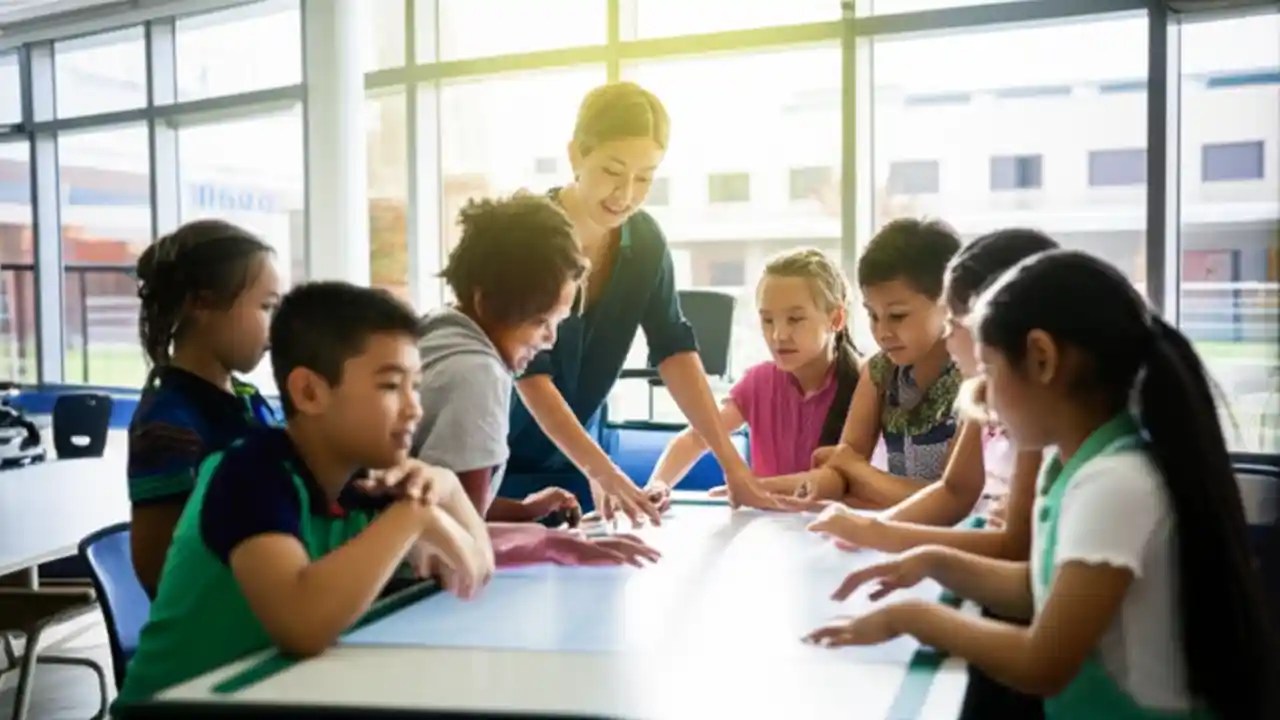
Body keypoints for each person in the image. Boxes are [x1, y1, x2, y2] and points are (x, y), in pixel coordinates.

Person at [805, 251, 1278, 720]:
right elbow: (1040, 588)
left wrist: (912, 618)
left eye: (989, 371)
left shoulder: (1116, 485)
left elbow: (1043, 663)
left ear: (1041, 359)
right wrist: (933, 561)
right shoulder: (1076, 465)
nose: (983, 397)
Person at [114, 281, 494, 706]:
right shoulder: (249, 472)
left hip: (278, 698)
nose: (414, 408)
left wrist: (446, 485)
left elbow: (477, 566)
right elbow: (301, 626)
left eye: (416, 386)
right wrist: (413, 517)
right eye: (390, 386)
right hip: (178, 709)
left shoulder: (369, 480)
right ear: (310, 392)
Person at [807, 228, 1060, 720]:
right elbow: (955, 489)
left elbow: (1016, 547)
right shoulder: (985, 395)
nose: (947, 335)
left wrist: (894, 544)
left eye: (955, 321)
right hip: (999, 597)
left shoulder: (1040, 421)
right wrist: (875, 530)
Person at [503, 81, 779, 522]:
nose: (626, 194)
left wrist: (733, 466)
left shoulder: (644, 241)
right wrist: (603, 470)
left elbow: (674, 349)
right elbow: (530, 374)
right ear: (576, 155)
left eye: (645, 177)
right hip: (493, 455)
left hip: (577, 462)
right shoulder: (523, 236)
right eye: (612, 171)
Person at [414, 193, 660, 566]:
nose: (550, 340)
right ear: (485, 301)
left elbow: (440, 503)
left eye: (557, 322)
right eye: (539, 321)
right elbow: (452, 538)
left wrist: (522, 511)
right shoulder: (476, 374)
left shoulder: (435, 333)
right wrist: (553, 544)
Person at [127, 219, 280, 597]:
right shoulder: (168, 425)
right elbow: (159, 571)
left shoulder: (249, 400)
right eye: (265, 307)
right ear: (202, 304)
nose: (273, 329)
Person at [642, 248, 859, 504]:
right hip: (766, 520)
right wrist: (658, 484)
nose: (778, 335)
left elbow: (842, 478)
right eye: (768, 320)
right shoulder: (758, 382)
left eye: (795, 319)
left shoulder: (864, 384)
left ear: (836, 319)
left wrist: (754, 485)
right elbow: (696, 437)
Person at [783, 219, 966, 509]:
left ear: (949, 303)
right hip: (896, 524)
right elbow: (841, 472)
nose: (882, 332)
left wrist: (856, 471)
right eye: (872, 315)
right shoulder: (880, 370)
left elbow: (950, 500)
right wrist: (756, 487)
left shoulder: (973, 378)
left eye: (897, 316)